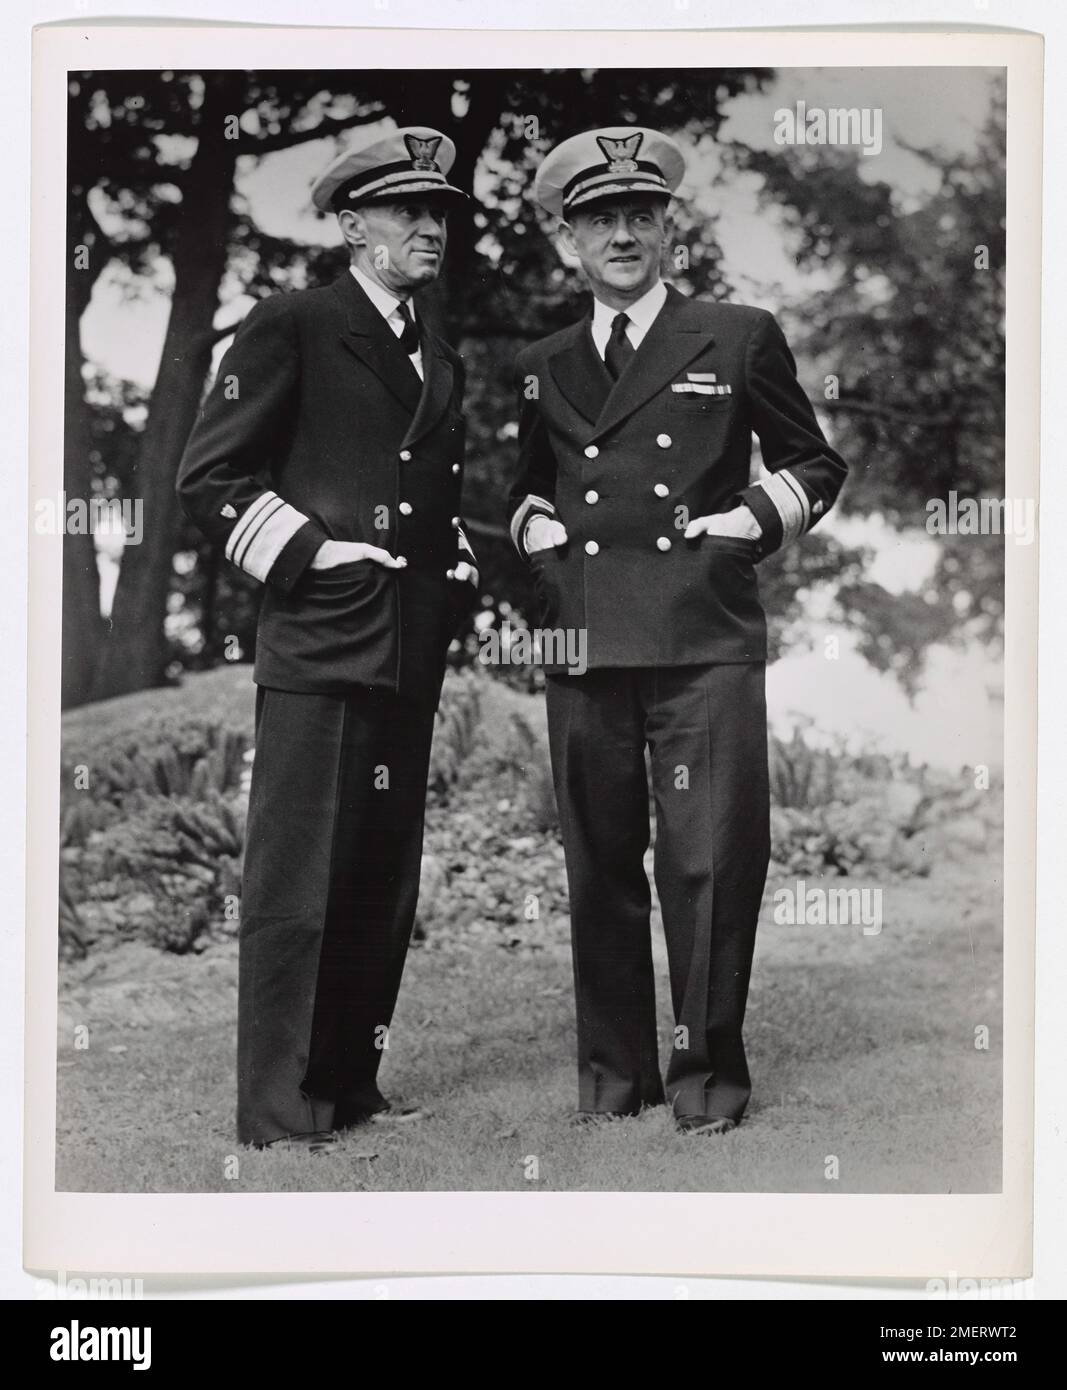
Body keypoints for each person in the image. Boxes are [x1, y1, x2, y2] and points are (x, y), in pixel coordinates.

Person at [507, 126, 848, 1135]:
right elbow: (525, 489)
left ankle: (705, 1081)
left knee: (708, 861)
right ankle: (614, 1082)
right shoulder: (542, 360)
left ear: (667, 229)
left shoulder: (737, 333)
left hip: (701, 635)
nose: (620, 233)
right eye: (597, 219)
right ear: (567, 240)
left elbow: (812, 464)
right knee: (598, 862)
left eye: (637, 215)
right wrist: (540, 545)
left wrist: (745, 523)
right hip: (583, 641)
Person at [177, 125, 477, 1151]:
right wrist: (316, 554)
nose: (428, 227)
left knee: (376, 877)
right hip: (321, 636)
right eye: (406, 210)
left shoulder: (437, 350)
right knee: (299, 881)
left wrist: (458, 566)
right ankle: (278, 1111)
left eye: (437, 211)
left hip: (408, 643)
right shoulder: (292, 323)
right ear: (354, 224)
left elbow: (424, 494)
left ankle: (349, 1085)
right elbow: (209, 478)